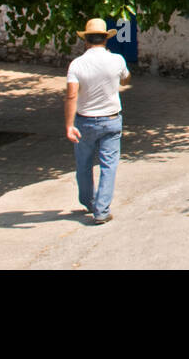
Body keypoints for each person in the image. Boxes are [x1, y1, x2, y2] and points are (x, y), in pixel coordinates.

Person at [65, 18, 131, 224]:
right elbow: (126, 78)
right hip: (111, 119)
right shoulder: (117, 60)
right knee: (108, 165)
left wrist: (69, 125)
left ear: (86, 41)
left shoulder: (77, 64)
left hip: (85, 121)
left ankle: (88, 201)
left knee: (83, 164)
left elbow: (71, 95)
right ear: (105, 39)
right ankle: (102, 210)